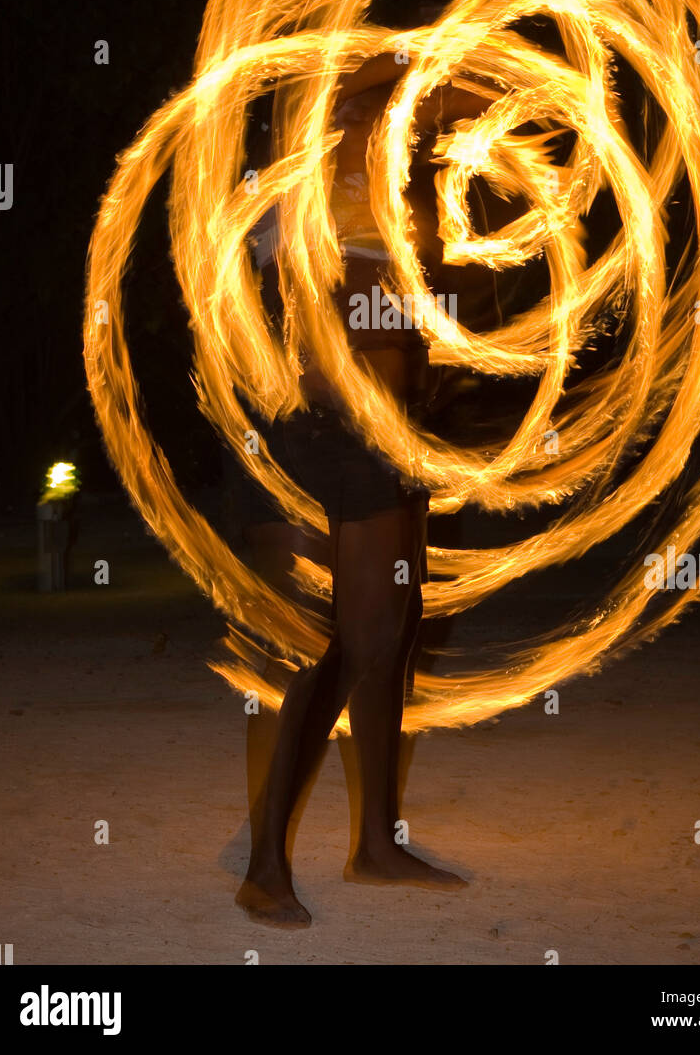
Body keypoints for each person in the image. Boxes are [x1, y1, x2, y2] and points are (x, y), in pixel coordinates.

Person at [233, 55, 493, 927]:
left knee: (392, 626)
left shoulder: (392, 173)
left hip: (392, 429)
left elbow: (473, 92)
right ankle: (267, 863)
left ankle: (375, 842)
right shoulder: (312, 152)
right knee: (335, 643)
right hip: (334, 426)